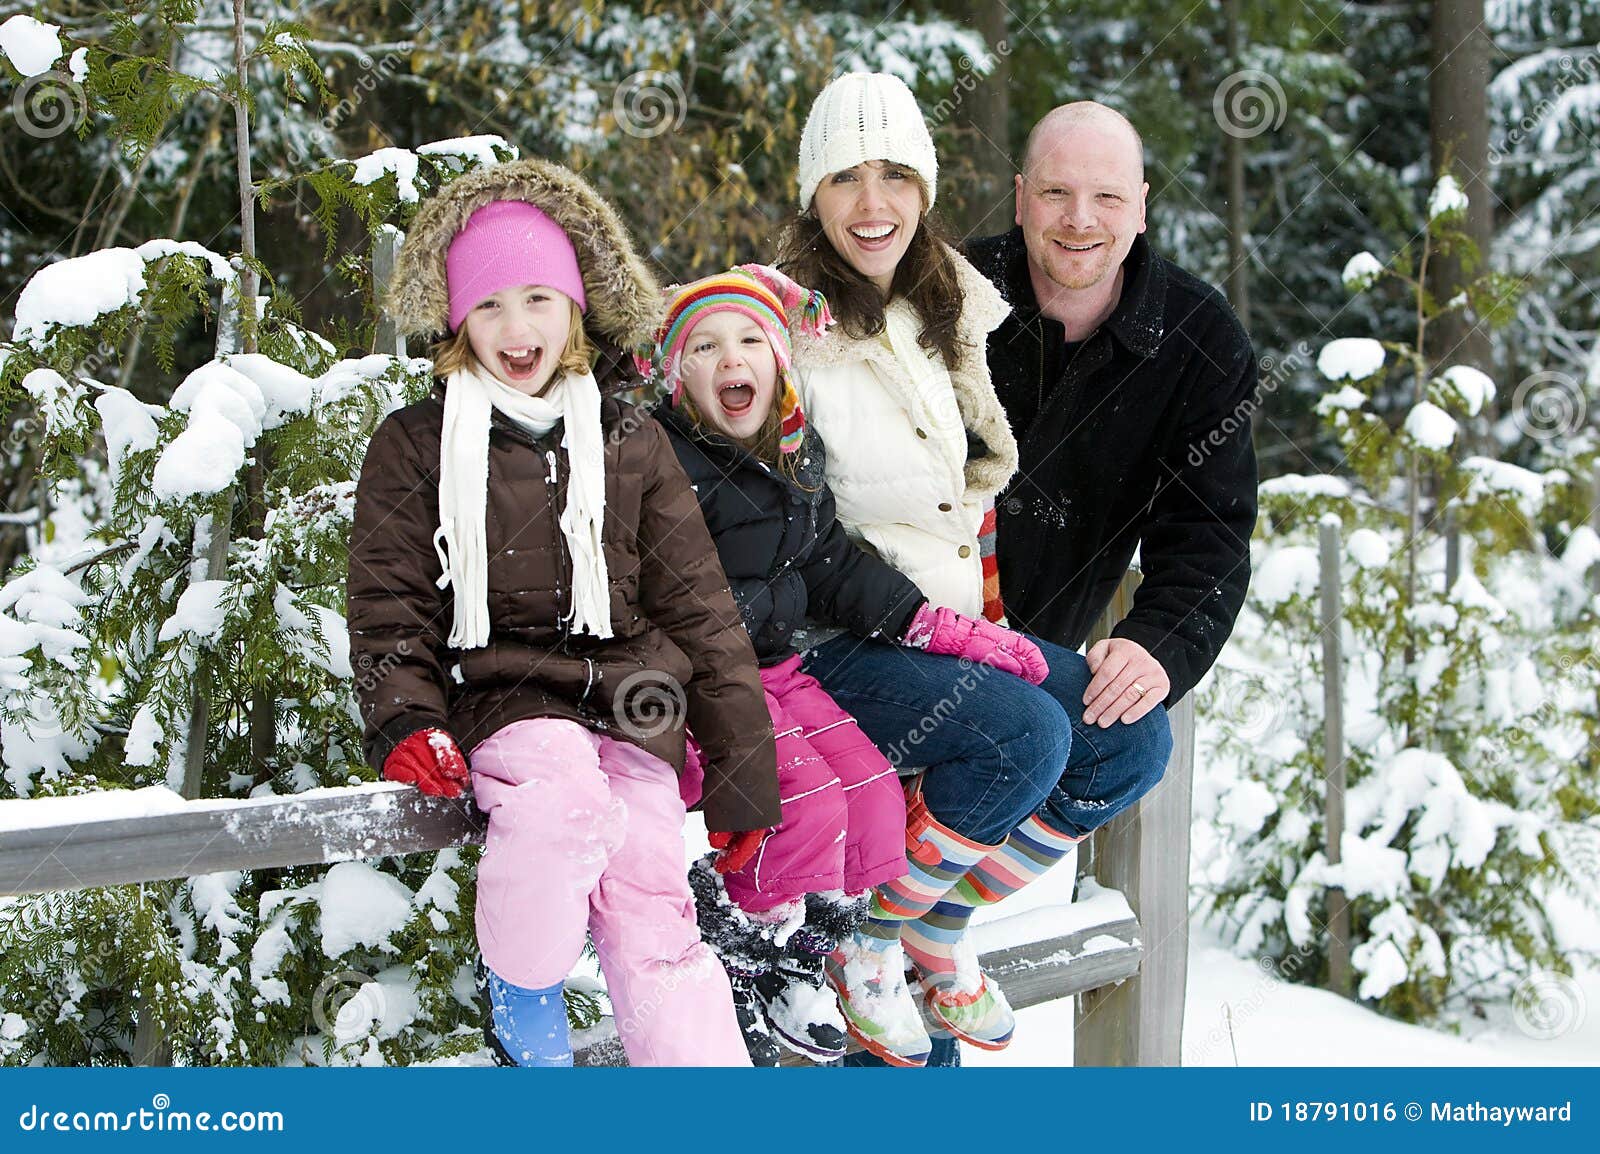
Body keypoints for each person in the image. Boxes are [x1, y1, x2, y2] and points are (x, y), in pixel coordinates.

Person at [774, 73, 1172, 1067]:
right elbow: (774, 533)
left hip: (940, 636)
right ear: (811, 195)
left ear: (927, 187)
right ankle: (864, 944)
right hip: (825, 648)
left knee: (1126, 738)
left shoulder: (943, 311)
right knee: (1021, 732)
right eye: (847, 177)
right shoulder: (778, 328)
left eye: (896, 176)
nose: (874, 203)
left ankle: (927, 924)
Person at [346, 157, 780, 1067]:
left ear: (576, 310)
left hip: (629, 700)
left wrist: (742, 770)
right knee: (564, 800)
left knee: (653, 888)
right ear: (458, 318)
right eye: (491, 303)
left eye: (540, 298)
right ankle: (528, 1001)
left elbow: (700, 609)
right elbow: (389, 601)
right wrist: (407, 714)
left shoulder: (629, 437)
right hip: (500, 691)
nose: (517, 327)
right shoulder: (417, 443)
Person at [642, 264, 1049, 1064]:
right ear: (677, 373)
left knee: (867, 795)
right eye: (706, 345)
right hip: (705, 687)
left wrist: (935, 625)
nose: (734, 358)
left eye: (753, 338)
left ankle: (818, 953)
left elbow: (830, 563)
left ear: (781, 361)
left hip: (779, 672)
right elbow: (642, 587)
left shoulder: (796, 453)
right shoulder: (660, 460)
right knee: (816, 803)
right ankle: (739, 938)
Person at [968, 101, 1257, 737]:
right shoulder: (948, 294)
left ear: (1142, 206)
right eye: (1055, 191)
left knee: (1134, 739)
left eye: (1107, 196)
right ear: (1020, 199)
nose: (1080, 219)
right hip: (905, 633)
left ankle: (969, 841)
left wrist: (1156, 645)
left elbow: (1208, 531)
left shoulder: (1202, 340)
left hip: (1046, 656)